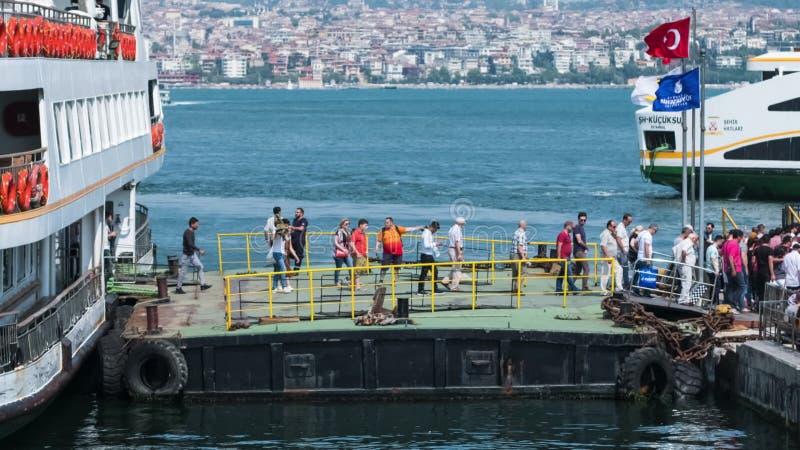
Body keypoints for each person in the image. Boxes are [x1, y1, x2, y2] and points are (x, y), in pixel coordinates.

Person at [375, 217, 422, 283]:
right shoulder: (382, 231)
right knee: (384, 267)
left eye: (387, 222)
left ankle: (395, 280)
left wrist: (418, 228)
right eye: (385, 222)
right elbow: (379, 240)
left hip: (398, 252)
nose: (385, 224)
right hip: (387, 252)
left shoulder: (397, 228)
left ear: (391, 223)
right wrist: (377, 246)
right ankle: (381, 280)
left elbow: (408, 229)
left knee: (397, 267)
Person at [176, 217, 211, 294]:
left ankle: (203, 285)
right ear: (192, 224)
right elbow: (190, 244)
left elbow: (191, 245)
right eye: (197, 224)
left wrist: (195, 251)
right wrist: (199, 250)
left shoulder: (192, 232)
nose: (198, 225)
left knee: (200, 266)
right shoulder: (187, 232)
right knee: (183, 272)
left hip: (192, 254)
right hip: (187, 256)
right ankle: (178, 288)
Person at [722, 229, 746, 312]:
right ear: (739, 237)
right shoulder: (735, 244)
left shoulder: (726, 243)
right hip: (736, 268)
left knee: (730, 287)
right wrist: (733, 269)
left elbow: (722, 253)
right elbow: (731, 257)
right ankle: (733, 303)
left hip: (726, 268)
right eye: (742, 237)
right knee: (742, 286)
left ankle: (729, 303)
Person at [417, 221, 444, 295]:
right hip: (426, 255)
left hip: (427, 255)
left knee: (431, 272)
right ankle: (422, 290)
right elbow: (427, 245)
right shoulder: (427, 233)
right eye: (436, 229)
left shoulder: (428, 233)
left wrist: (435, 249)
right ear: (433, 227)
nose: (436, 231)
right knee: (426, 273)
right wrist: (436, 244)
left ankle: (431, 289)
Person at [632, 224, 658, 297]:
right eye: (655, 231)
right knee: (647, 275)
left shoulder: (641, 233)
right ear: (653, 229)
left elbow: (635, 243)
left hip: (639, 257)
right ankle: (646, 292)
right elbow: (647, 246)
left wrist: (639, 250)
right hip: (645, 258)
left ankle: (634, 289)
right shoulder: (648, 235)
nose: (654, 233)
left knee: (637, 274)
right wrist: (648, 259)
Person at [555, 221, 579, 294]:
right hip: (563, 257)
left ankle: (558, 289)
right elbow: (559, 245)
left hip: (567, 257)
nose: (572, 229)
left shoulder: (568, 235)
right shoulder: (562, 234)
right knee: (568, 273)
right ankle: (573, 287)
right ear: (568, 226)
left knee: (562, 273)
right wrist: (559, 257)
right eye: (572, 227)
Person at [600, 219, 622, 295]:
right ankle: (603, 290)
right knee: (606, 273)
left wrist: (615, 235)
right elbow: (603, 245)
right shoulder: (606, 233)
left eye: (616, 226)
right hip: (607, 257)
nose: (615, 228)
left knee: (619, 270)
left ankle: (619, 287)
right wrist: (607, 256)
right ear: (609, 226)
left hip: (613, 257)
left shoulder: (612, 233)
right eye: (614, 226)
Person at [676, 232, 699, 305]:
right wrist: (683, 261)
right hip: (686, 266)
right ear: (693, 238)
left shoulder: (684, 242)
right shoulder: (689, 242)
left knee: (685, 282)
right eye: (696, 239)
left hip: (683, 265)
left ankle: (685, 298)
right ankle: (683, 299)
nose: (696, 241)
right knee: (687, 282)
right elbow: (684, 250)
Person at [444, 217, 466, 291]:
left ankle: (445, 281)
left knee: (455, 267)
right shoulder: (457, 230)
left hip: (451, 248)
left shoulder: (452, 228)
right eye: (463, 224)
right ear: (461, 223)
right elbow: (457, 242)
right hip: (455, 250)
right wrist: (459, 253)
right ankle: (454, 287)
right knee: (457, 269)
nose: (463, 225)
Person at [270, 222, 292, 293]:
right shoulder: (275, 230)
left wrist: (287, 231)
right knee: (283, 268)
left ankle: (274, 287)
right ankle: (284, 286)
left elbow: (287, 239)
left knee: (277, 271)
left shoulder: (284, 233)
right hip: (276, 253)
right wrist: (276, 231)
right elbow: (272, 239)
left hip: (282, 253)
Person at [753, 235, 773, 309]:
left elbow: (753, 261)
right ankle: (765, 307)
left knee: (760, 289)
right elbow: (770, 261)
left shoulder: (757, 249)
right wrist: (772, 273)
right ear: (768, 241)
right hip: (766, 271)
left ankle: (759, 305)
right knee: (766, 289)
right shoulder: (770, 250)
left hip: (759, 271)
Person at [332, 218, 353, 287]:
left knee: (351, 267)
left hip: (347, 253)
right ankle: (336, 281)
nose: (348, 225)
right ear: (342, 224)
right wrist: (343, 249)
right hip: (339, 252)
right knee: (339, 267)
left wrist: (351, 249)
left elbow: (349, 242)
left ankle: (352, 281)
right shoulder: (338, 232)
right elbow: (335, 243)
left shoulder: (348, 232)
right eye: (346, 224)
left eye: (348, 224)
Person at [572, 212, 590, 291]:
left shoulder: (581, 228)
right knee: (586, 268)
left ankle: (570, 286)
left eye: (584, 220)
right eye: (581, 220)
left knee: (577, 270)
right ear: (578, 219)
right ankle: (584, 287)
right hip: (578, 252)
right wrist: (586, 247)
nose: (583, 221)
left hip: (580, 251)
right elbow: (579, 240)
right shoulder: (577, 228)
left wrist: (585, 248)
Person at [615, 213, 633, 290]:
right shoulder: (620, 228)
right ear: (624, 220)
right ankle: (625, 284)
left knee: (625, 268)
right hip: (621, 251)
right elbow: (618, 239)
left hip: (624, 251)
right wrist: (623, 249)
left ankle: (625, 283)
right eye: (629, 221)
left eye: (631, 222)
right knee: (624, 268)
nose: (630, 223)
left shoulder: (624, 227)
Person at [510, 220, 528, 293]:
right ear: (523, 225)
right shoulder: (522, 233)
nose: (526, 226)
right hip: (518, 255)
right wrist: (523, 257)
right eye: (526, 225)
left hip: (512, 254)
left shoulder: (516, 232)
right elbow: (520, 246)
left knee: (515, 272)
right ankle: (517, 289)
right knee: (523, 272)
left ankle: (514, 289)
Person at [351, 219, 369, 290]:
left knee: (362, 270)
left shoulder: (363, 233)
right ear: (361, 225)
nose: (367, 227)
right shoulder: (355, 232)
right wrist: (357, 252)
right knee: (357, 270)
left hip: (363, 254)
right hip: (357, 254)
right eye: (366, 225)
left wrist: (366, 251)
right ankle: (357, 286)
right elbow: (352, 243)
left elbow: (364, 243)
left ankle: (356, 284)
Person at [706, 235, 724, 304]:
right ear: (718, 241)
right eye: (721, 242)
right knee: (717, 287)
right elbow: (712, 260)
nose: (721, 244)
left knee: (713, 287)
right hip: (712, 271)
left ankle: (712, 301)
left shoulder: (709, 247)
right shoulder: (713, 249)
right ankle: (715, 302)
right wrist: (716, 270)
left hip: (709, 270)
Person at [104, 212, 117, 278]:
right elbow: (103, 236)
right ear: (108, 217)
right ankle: (110, 277)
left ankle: (110, 275)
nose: (111, 219)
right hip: (105, 248)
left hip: (107, 247)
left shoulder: (106, 226)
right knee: (109, 263)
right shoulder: (104, 225)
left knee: (109, 262)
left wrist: (112, 234)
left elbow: (108, 236)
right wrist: (111, 234)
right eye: (111, 217)